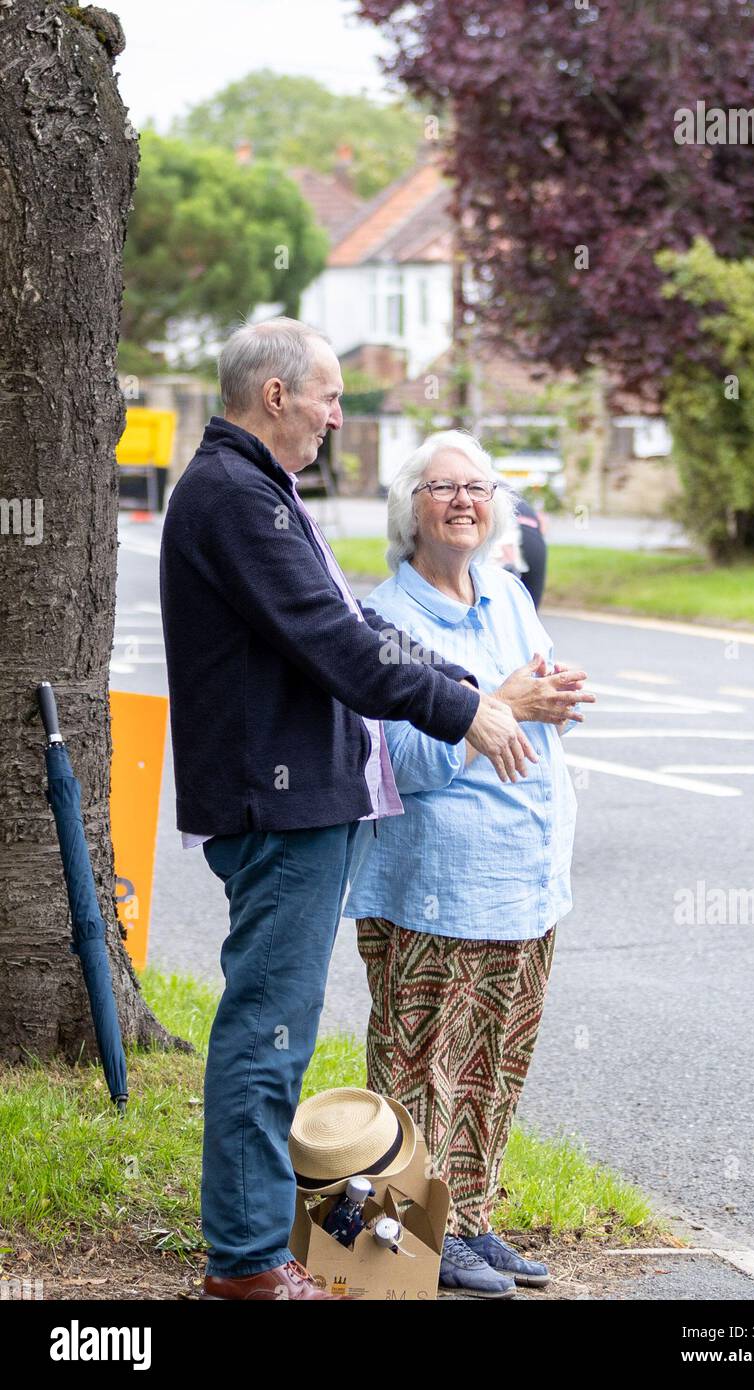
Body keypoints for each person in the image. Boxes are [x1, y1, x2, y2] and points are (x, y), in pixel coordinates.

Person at [160, 319, 539, 1302]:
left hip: (297, 806)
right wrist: (466, 706)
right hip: (276, 808)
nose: (340, 414)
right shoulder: (236, 496)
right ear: (275, 396)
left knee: (275, 1024)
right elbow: (337, 640)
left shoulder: (260, 490)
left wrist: (463, 687)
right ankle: (246, 1261)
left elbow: (356, 624)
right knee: (267, 1029)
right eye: (329, 396)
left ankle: (273, 1243)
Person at [344, 429, 594, 1298]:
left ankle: (473, 1219)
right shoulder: (387, 621)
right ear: (408, 506)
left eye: (479, 488)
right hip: (435, 885)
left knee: (496, 1061)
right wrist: (497, 709)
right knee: (421, 1067)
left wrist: (549, 704)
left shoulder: (510, 596)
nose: (464, 501)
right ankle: (409, 1236)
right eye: (443, 487)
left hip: (524, 881)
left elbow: (530, 702)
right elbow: (392, 765)